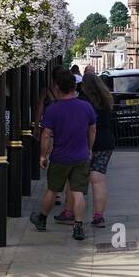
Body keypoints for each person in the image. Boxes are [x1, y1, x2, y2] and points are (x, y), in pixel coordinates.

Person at [32, 69, 96, 241]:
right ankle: (78, 227)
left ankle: (42, 219)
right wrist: (89, 148)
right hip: (81, 156)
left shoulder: (53, 109)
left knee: (52, 190)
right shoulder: (86, 106)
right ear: (74, 86)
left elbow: (46, 135)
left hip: (60, 156)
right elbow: (92, 129)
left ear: (58, 87)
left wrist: (43, 156)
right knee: (78, 193)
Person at [75, 72, 115, 229]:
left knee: (78, 181)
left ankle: (72, 213)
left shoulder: (83, 102)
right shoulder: (106, 100)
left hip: (87, 143)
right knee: (99, 180)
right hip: (106, 142)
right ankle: (99, 216)